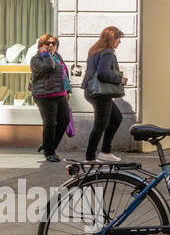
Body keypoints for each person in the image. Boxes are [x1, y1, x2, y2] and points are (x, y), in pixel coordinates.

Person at [82, 26, 126, 163]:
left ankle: (106, 151)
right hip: (100, 93)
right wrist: (120, 79)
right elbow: (103, 73)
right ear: (112, 38)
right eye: (118, 39)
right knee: (100, 124)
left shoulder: (94, 51)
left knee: (116, 118)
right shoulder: (107, 52)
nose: (119, 42)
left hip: (91, 91)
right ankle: (90, 157)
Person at [31, 34, 72, 163]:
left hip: (60, 94)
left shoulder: (57, 57)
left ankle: (48, 145)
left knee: (64, 120)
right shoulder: (36, 59)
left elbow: (64, 73)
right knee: (50, 123)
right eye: (47, 43)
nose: (50, 45)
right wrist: (45, 54)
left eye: (53, 43)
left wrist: (68, 90)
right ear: (41, 46)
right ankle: (50, 152)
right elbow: (49, 66)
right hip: (44, 95)